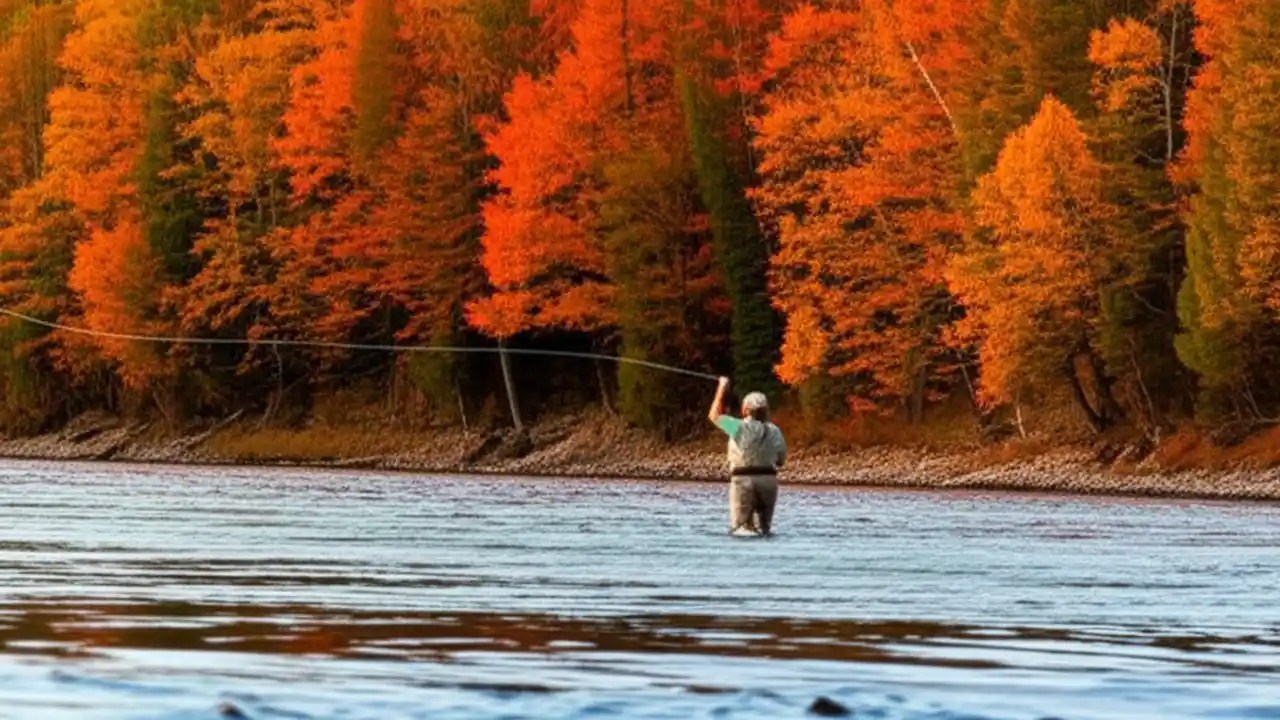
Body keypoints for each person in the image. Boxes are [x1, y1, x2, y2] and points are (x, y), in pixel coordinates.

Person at [707, 376, 787, 536]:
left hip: (742, 480)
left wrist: (722, 387)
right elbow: (781, 461)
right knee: (764, 530)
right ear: (766, 411)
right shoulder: (775, 430)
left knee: (741, 529)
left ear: (745, 410)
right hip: (768, 481)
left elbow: (713, 415)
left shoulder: (737, 426)